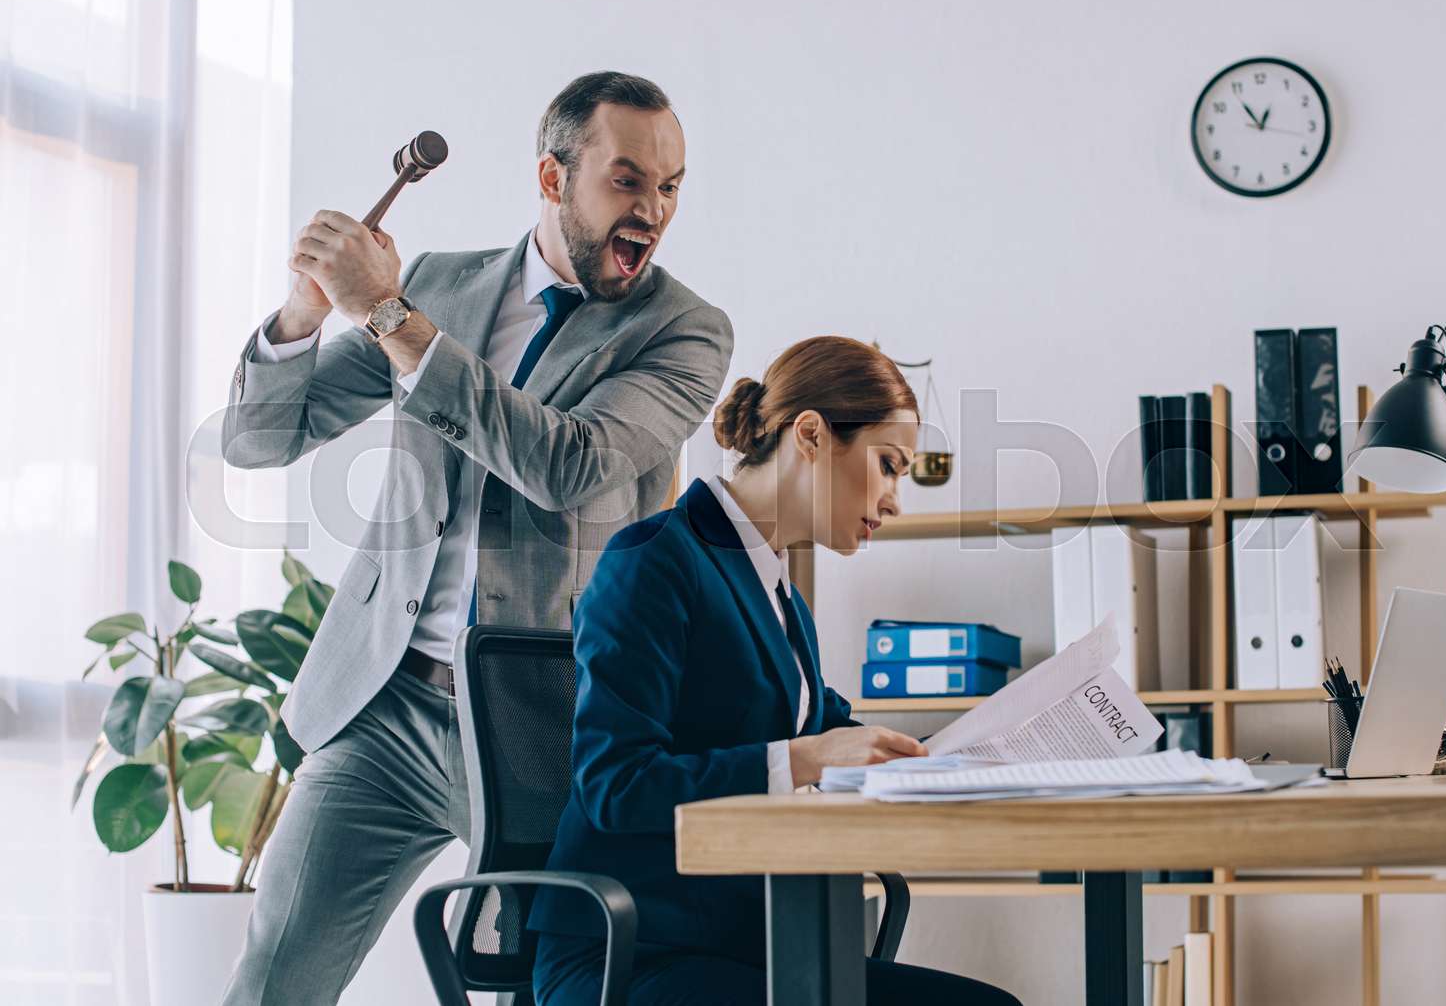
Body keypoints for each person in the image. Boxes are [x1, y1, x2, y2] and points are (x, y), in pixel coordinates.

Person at [218, 71, 733, 1004]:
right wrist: (303, 312)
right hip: (382, 705)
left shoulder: (684, 332)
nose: (652, 210)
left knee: (530, 991)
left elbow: (567, 466)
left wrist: (387, 316)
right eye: (627, 180)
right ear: (552, 177)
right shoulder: (442, 286)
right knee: (272, 984)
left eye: (670, 186)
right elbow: (259, 439)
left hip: (546, 720)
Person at [529, 336, 1020, 1005]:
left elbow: (828, 730)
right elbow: (616, 785)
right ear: (812, 435)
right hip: (633, 955)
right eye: (887, 465)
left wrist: (963, 757)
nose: (897, 499)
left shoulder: (777, 589)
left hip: (743, 947)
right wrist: (804, 758)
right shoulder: (654, 558)